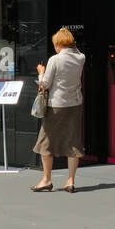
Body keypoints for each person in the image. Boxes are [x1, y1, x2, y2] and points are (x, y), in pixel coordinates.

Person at [32, 27, 86, 193]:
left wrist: (41, 72)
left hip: (56, 105)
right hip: (75, 104)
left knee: (45, 142)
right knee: (73, 141)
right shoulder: (81, 57)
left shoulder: (55, 60)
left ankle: (47, 179)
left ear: (58, 44)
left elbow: (45, 84)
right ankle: (70, 180)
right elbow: (75, 51)